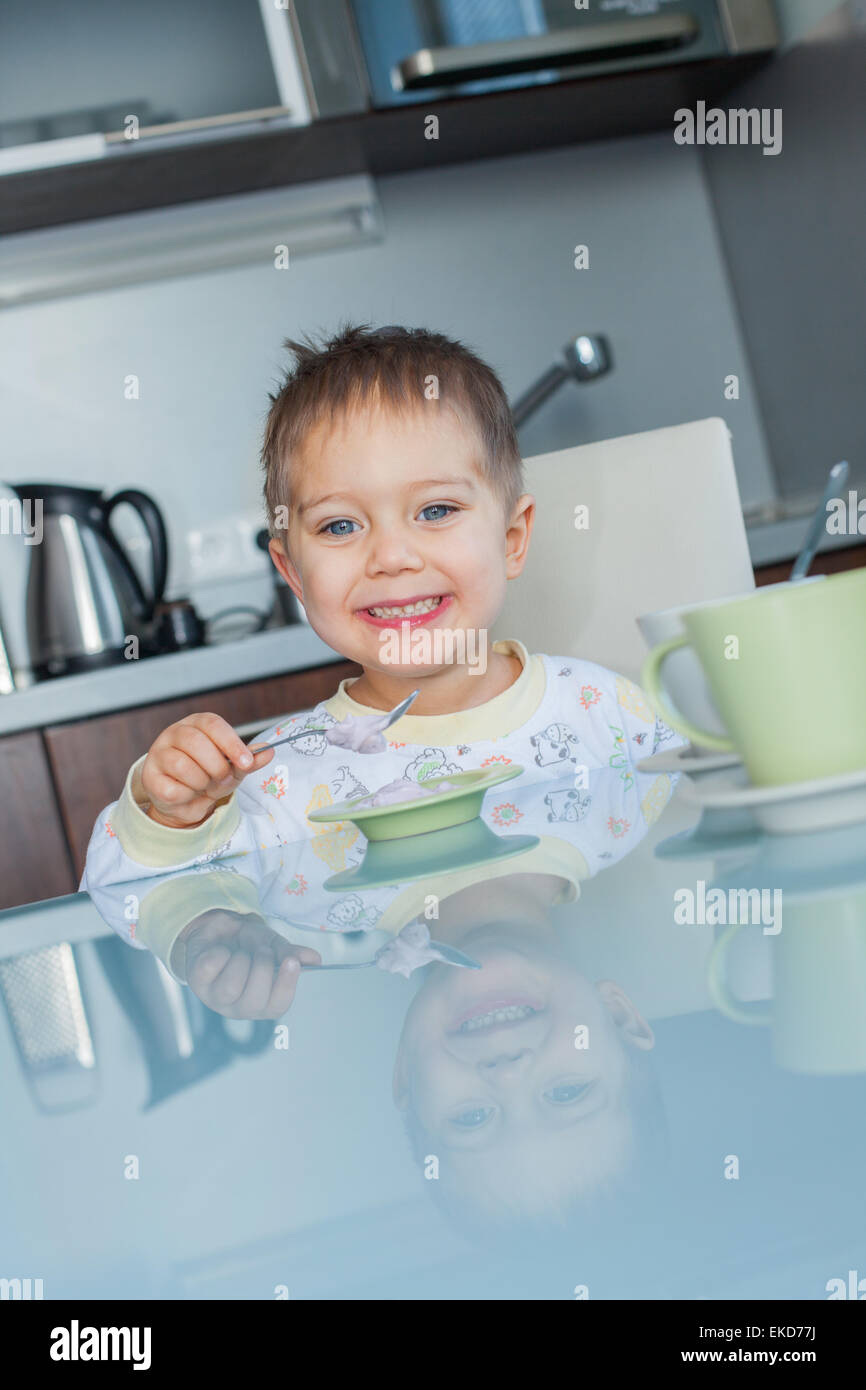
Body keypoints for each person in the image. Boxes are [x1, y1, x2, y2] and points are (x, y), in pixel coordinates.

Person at [82, 323, 683, 1004]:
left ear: (512, 538)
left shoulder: (606, 714)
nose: (392, 556)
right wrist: (170, 816)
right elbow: (114, 894)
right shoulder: (278, 782)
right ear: (294, 572)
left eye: (435, 510)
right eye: (341, 525)